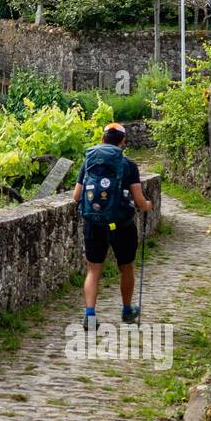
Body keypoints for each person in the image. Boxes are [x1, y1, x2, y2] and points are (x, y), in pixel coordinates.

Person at [71, 122, 153, 329]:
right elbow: (139, 200)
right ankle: (126, 310)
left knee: (93, 270)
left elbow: (75, 197)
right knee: (126, 268)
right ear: (123, 141)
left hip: (94, 223)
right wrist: (147, 205)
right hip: (122, 224)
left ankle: (90, 315)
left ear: (102, 139)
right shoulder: (129, 165)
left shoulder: (88, 162)